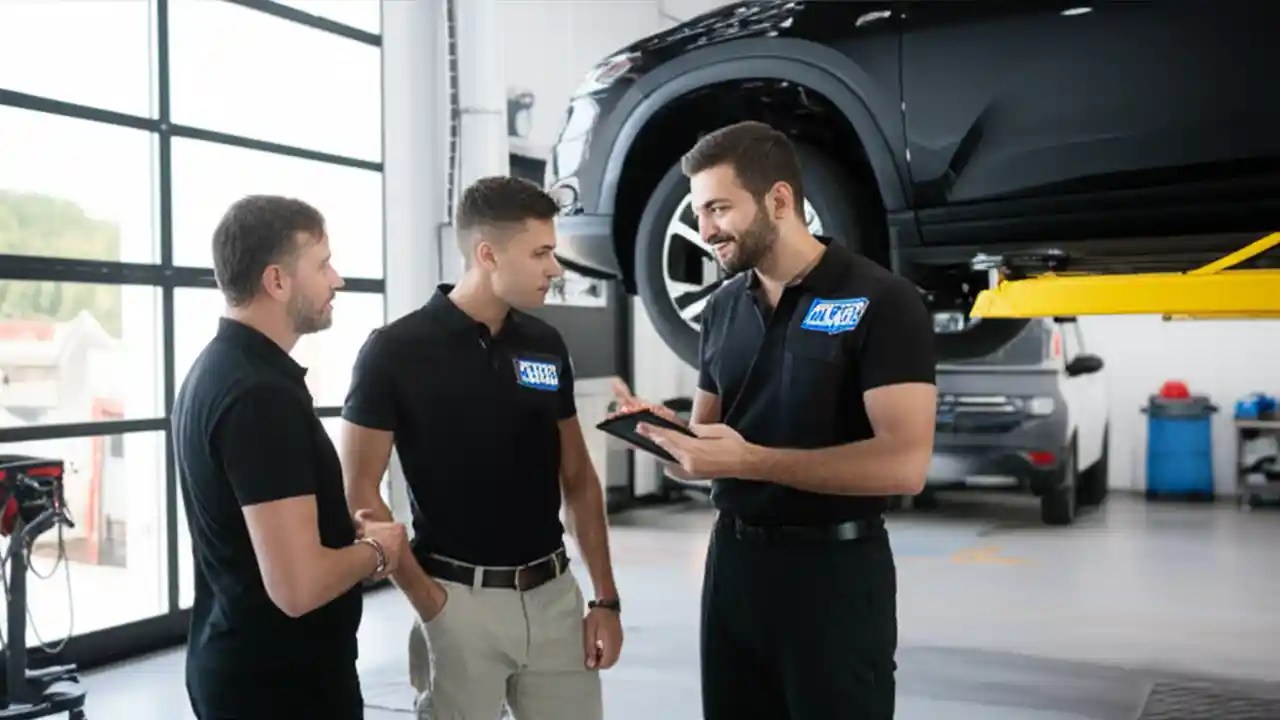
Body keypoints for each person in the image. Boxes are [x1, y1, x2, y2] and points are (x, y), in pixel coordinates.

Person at [615, 121, 937, 720]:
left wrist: (752, 461)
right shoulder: (721, 308)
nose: (705, 230)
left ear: (780, 200)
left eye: (718, 208)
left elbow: (905, 464)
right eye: (699, 211)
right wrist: (665, 436)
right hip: (733, 570)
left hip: (835, 577)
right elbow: (706, 450)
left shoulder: (882, 300)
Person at [339, 176, 623, 720]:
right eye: (541, 252)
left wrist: (604, 599)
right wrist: (431, 604)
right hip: (456, 601)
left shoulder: (545, 344)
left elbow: (579, 476)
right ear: (487, 253)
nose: (555, 268)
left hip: (555, 600)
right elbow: (358, 491)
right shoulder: (393, 353)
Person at [173, 195, 410, 719]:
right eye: (322, 265)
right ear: (277, 281)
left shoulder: (216, 371)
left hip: (243, 667)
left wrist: (333, 528)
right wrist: (379, 550)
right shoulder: (259, 397)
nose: (337, 280)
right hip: (281, 691)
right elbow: (298, 587)